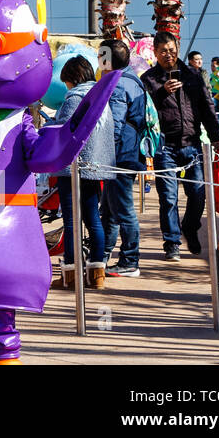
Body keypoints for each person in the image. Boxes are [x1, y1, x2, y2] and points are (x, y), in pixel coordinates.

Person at [141, 31, 219, 261]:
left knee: (198, 194)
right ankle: (172, 242)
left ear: (178, 48)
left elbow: (207, 107)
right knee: (168, 196)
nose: (168, 55)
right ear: (155, 52)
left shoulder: (193, 76)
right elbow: (144, 110)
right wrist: (161, 91)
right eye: (163, 51)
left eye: (172, 50)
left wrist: (215, 137)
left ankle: (190, 227)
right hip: (164, 145)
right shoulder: (149, 79)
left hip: (193, 143)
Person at [49, 56, 116, 290]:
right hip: (96, 167)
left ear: (72, 77)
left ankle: (71, 274)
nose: (66, 86)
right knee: (93, 218)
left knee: (71, 221)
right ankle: (97, 273)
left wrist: (47, 126)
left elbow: (65, 130)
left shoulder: (75, 97)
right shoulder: (101, 98)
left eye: (66, 81)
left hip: (73, 167)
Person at [99, 39, 149, 278]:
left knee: (123, 210)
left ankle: (130, 260)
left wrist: (105, 150)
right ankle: (103, 255)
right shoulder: (134, 80)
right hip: (129, 152)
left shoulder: (118, 85)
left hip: (119, 155)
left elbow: (115, 126)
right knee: (109, 209)